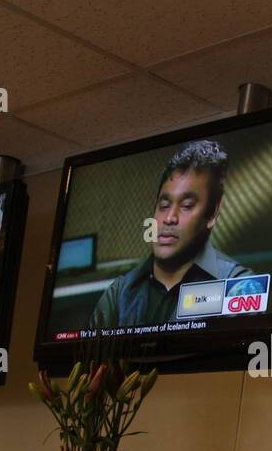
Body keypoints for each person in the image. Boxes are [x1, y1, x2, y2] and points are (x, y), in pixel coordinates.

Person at [91, 139, 253, 329]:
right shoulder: (118, 294)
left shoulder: (238, 286)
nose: (169, 218)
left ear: (213, 214)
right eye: (164, 205)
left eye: (186, 206)